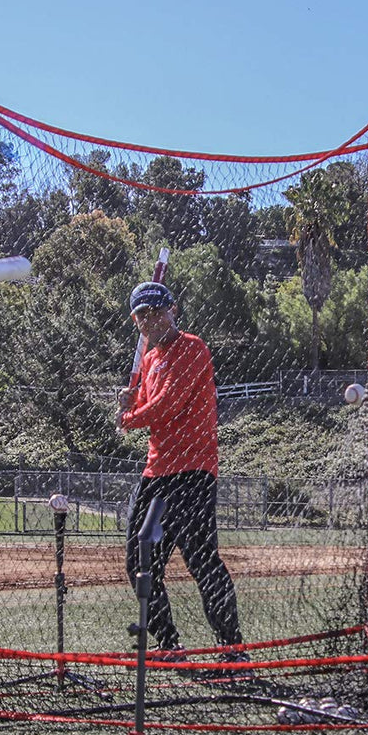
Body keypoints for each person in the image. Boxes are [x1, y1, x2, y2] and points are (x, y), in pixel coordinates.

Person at [118, 281, 247, 664]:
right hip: (157, 471)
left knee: (201, 558)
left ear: (173, 310)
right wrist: (130, 401)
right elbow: (147, 401)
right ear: (135, 321)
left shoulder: (192, 348)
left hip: (192, 470)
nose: (151, 320)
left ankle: (232, 649)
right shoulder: (149, 358)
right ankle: (169, 645)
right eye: (143, 315)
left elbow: (168, 405)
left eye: (157, 312)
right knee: (140, 560)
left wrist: (129, 417)